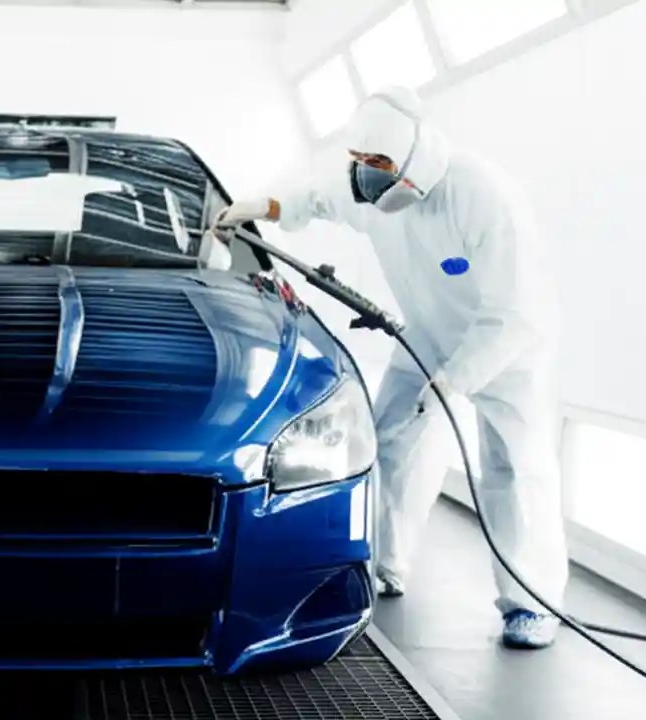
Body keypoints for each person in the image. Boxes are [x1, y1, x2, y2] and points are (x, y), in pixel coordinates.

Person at [211, 86, 568, 649]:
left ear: (413, 161)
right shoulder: (366, 191)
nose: (365, 174)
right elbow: (312, 198)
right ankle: (386, 561)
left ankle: (532, 603)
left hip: (508, 349)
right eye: (359, 161)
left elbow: (514, 313)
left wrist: (455, 381)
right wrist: (262, 206)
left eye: (378, 163)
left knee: (515, 470)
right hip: (425, 332)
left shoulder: (483, 196)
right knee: (393, 441)